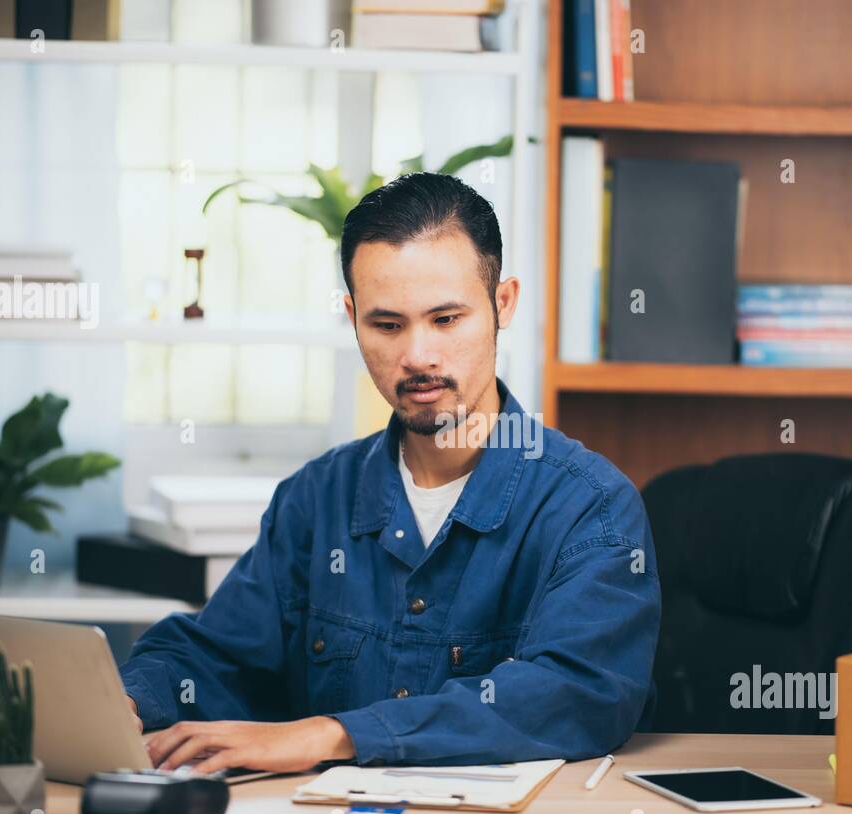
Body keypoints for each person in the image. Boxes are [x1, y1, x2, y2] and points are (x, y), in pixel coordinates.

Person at [119, 171, 660, 774]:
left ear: (502, 304)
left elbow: (580, 695)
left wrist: (335, 735)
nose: (418, 356)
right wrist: (131, 698)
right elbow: (217, 655)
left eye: (447, 319)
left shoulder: (590, 505)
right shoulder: (315, 498)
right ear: (352, 317)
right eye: (387, 325)